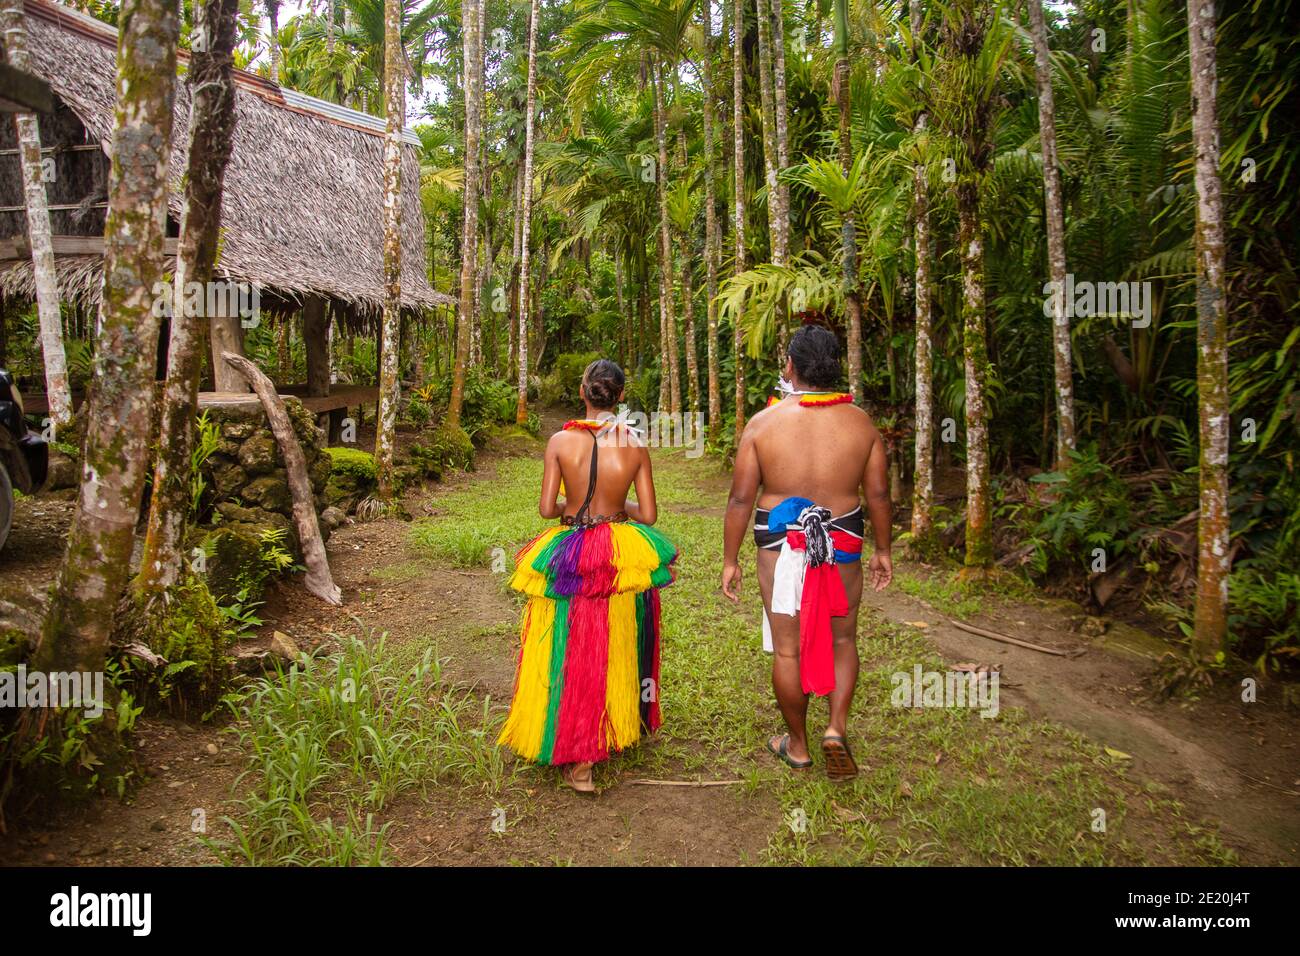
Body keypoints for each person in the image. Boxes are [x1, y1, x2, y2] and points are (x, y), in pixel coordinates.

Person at [721, 325, 893, 780]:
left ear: (791, 367)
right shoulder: (861, 424)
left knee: (788, 650)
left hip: (780, 546)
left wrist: (730, 559)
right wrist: (885, 550)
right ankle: (835, 728)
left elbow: (740, 499)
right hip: (844, 543)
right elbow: (878, 496)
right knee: (843, 639)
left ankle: (797, 744)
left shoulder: (763, 423)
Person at [498, 359, 677, 794]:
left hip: (572, 549)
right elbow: (648, 514)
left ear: (583, 391)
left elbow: (546, 508)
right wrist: (615, 509)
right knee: (613, 640)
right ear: (619, 396)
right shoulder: (634, 443)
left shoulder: (560, 441)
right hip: (617, 551)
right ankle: (611, 726)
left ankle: (576, 750)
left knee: (571, 644)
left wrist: (579, 505)